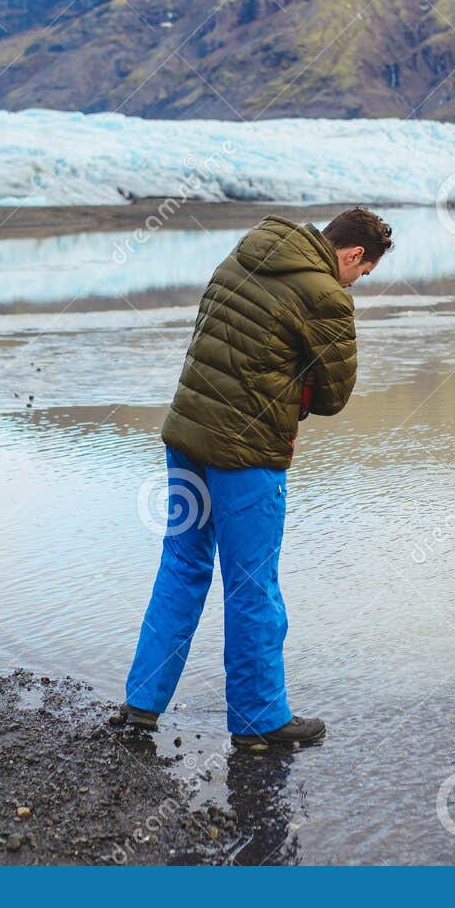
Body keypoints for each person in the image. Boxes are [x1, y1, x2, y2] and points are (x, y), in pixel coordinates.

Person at [113, 207, 394, 749]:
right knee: (252, 585)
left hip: (187, 437)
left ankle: (141, 704)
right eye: (363, 273)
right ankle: (259, 721)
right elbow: (335, 397)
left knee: (182, 565)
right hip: (247, 454)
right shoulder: (327, 296)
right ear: (354, 254)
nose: (357, 282)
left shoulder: (243, 254)